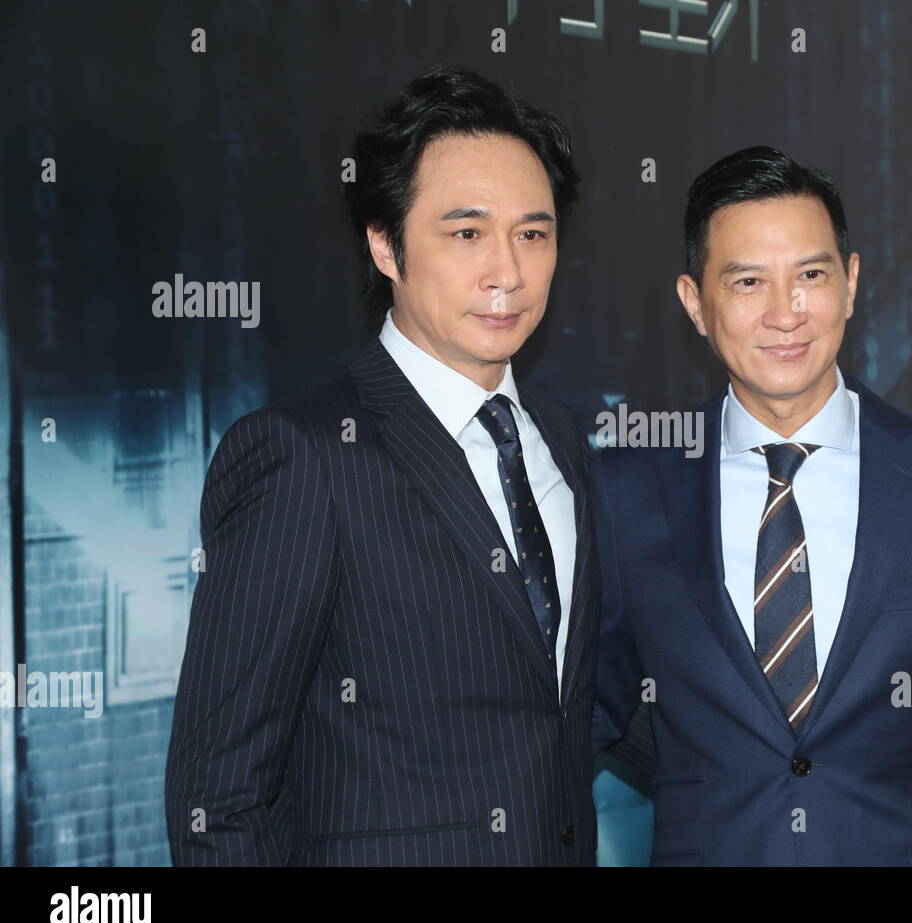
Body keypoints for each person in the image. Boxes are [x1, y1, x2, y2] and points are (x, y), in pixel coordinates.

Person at [166, 66, 597, 865]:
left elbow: (570, 709)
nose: (507, 271)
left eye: (532, 234)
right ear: (384, 245)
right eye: (466, 233)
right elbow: (217, 798)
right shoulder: (302, 456)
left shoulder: (562, 443)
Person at [591, 145, 912, 866]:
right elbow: (589, 712)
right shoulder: (629, 494)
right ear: (696, 302)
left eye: (810, 275)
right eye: (748, 281)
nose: (786, 313)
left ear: (849, 283)